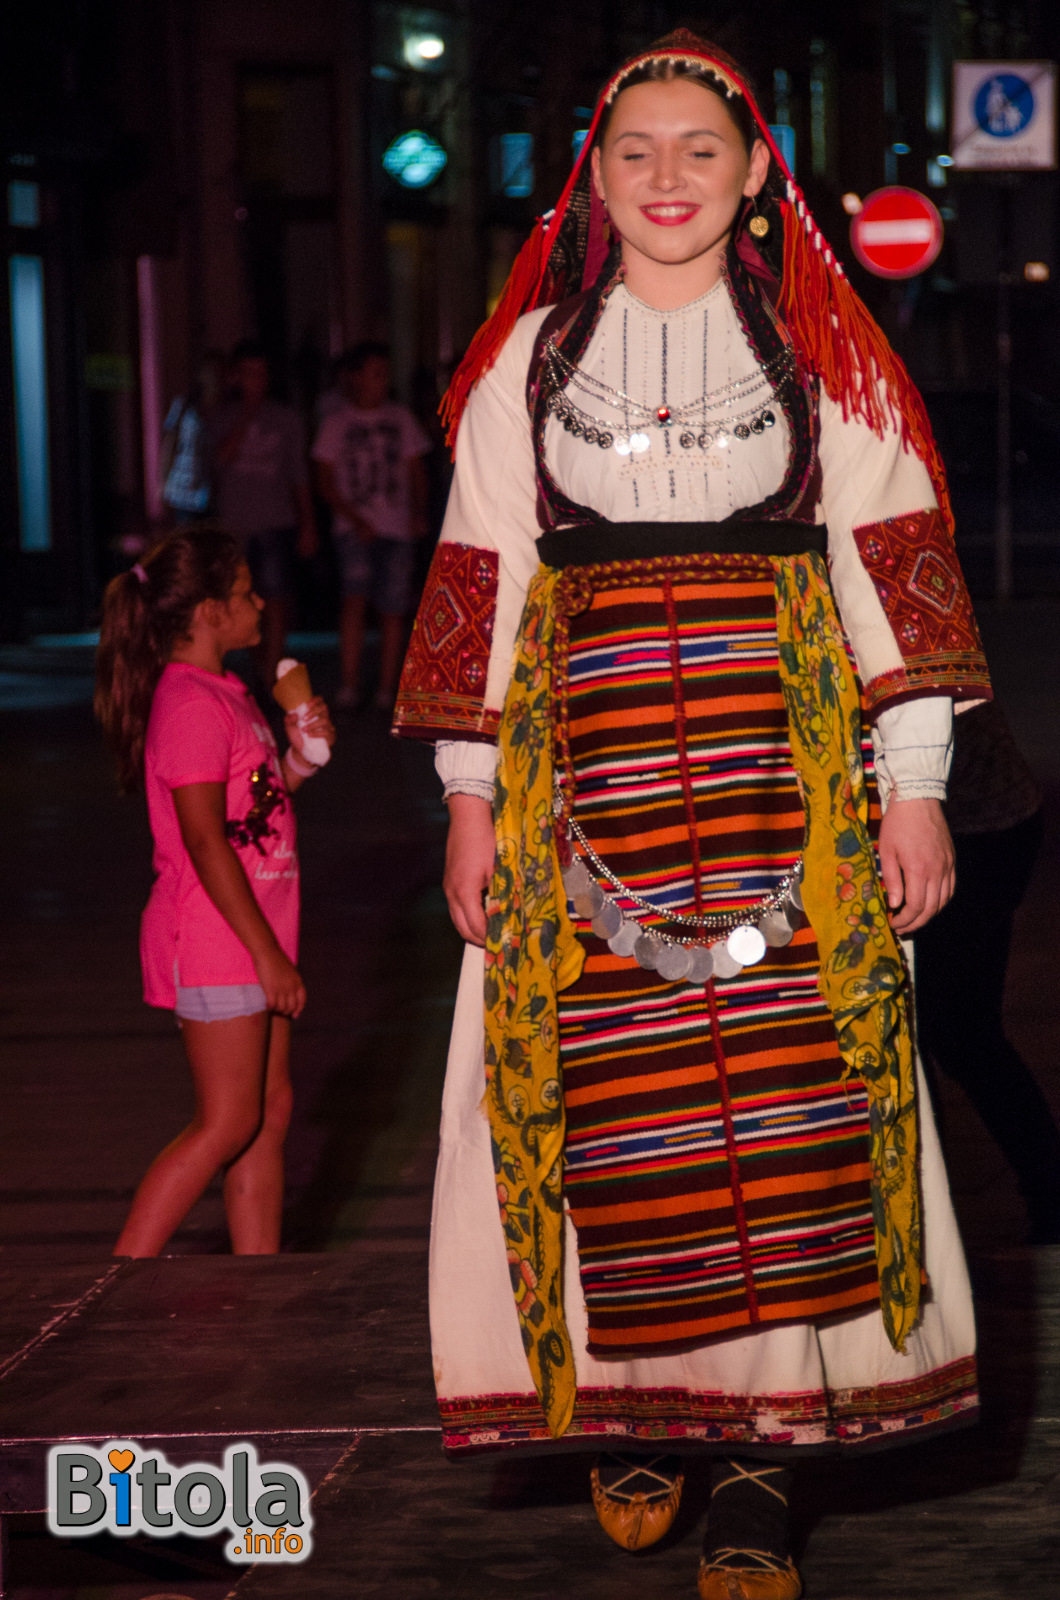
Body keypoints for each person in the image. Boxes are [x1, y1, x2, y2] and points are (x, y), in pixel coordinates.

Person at [391, 31, 991, 1600]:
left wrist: (914, 791)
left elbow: (896, 578)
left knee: (789, 1126)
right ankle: (630, 1420)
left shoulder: (830, 360)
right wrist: (468, 803)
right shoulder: (526, 367)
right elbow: (481, 582)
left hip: (793, 800)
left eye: (700, 152)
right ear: (593, 175)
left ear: (754, 179)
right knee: (613, 1120)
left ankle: (759, 1465)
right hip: (578, 808)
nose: (668, 178)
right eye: (637, 150)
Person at [94, 527, 335, 1258]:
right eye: (243, 594)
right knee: (228, 1121)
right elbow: (203, 841)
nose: (260, 602)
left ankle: (257, 1279)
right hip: (219, 939)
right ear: (205, 613)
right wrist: (266, 956)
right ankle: (119, 1281)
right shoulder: (191, 705)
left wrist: (297, 761)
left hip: (254, 931)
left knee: (269, 1111)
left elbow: (249, 810)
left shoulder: (226, 692)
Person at [915, 699, 1060, 1244]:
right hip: (994, 825)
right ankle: (1045, 1194)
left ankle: (933, 1217)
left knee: (947, 1034)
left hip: (973, 835)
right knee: (960, 1034)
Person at [312, 342, 430, 711]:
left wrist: (418, 511)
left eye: (385, 374)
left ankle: (386, 688)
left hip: (395, 526)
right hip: (353, 528)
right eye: (375, 373)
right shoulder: (337, 422)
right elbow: (325, 479)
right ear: (357, 377)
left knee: (393, 607)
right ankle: (349, 684)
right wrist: (354, 519)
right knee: (354, 600)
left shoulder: (401, 417)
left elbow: (416, 470)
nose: (382, 381)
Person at [212, 340, 318, 684]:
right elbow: (217, 461)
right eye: (247, 374)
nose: (254, 381)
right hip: (233, 523)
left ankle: (273, 674)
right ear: (234, 377)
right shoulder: (219, 416)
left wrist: (308, 523)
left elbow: (298, 474)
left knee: (275, 596)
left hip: (276, 520)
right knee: (232, 595)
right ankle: (255, 665)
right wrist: (245, 416)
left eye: (260, 374)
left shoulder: (286, 419)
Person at [161, 350, 226, 523]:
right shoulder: (183, 405)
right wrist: (163, 483)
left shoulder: (225, 409)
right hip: (183, 490)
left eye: (218, 371)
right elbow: (170, 443)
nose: (213, 376)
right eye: (209, 371)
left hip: (212, 492)